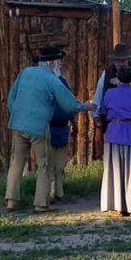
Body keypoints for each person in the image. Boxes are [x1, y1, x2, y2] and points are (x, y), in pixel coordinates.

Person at [5, 46, 96, 213]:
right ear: (53, 62)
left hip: (18, 123)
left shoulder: (25, 73)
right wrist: (86, 106)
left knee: (16, 163)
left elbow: (11, 97)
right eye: (59, 61)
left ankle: (11, 200)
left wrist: (17, 113)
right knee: (44, 165)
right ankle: (40, 203)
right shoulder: (52, 80)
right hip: (39, 127)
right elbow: (69, 105)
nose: (60, 65)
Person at [100, 66, 131, 216]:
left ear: (118, 78)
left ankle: (117, 205)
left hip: (116, 130)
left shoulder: (110, 93)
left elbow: (103, 110)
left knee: (115, 169)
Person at [92, 43, 131, 132]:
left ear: (127, 60)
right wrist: (96, 115)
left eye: (123, 61)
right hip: (111, 122)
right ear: (113, 60)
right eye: (117, 61)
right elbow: (99, 94)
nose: (120, 63)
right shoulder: (107, 73)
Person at [48, 72, 76, 204]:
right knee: (56, 164)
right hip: (57, 128)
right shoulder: (62, 85)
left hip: (53, 128)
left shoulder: (50, 85)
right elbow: (70, 106)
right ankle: (56, 192)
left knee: (52, 164)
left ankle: (54, 192)